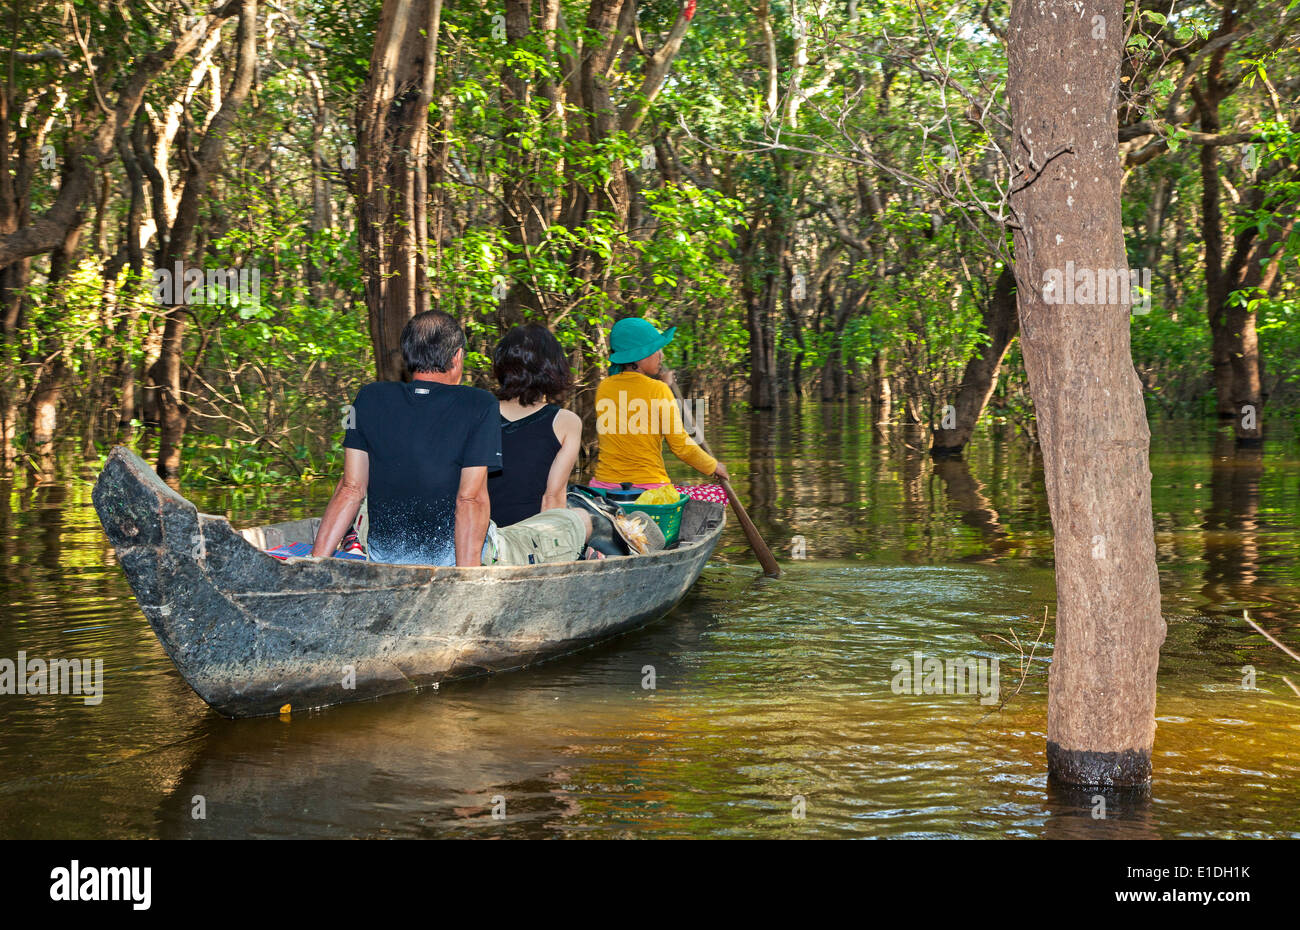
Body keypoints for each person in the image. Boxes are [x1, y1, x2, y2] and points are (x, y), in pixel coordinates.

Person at [312, 310, 593, 567]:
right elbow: (470, 499)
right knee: (580, 518)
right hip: (463, 556)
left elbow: (350, 488)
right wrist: (465, 581)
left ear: (407, 354)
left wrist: (315, 563)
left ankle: (351, 545)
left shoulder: (369, 397)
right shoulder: (478, 404)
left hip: (387, 555)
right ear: (457, 357)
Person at [591, 317, 730, 492]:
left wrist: (665, 385)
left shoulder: (605, 386)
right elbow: (681, 446)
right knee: (717, 494)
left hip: (604, 487)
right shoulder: (658, 390)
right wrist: (714, 466)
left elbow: (635, 399)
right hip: (649, 488)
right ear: (640, 356)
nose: (661, 355)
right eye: (657, 349)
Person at [488, 324, 583, 526]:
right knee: (587, 518)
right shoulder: (566, 421)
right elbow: (553, 498)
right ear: (552, 368)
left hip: (484, 535)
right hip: (530, 539)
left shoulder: (479, 414)